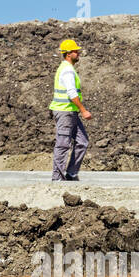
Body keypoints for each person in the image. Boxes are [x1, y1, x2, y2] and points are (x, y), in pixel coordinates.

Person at [50, 39, 91, 181]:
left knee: (82, 141)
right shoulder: (67, 70)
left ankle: (71, 173)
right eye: (75, 51)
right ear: (68, 54)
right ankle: (57, 178)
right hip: (64, 112)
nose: (78, 53)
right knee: (63, 144)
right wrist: (83, 110)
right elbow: (71, 92)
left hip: (71, 112)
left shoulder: (69, 68)